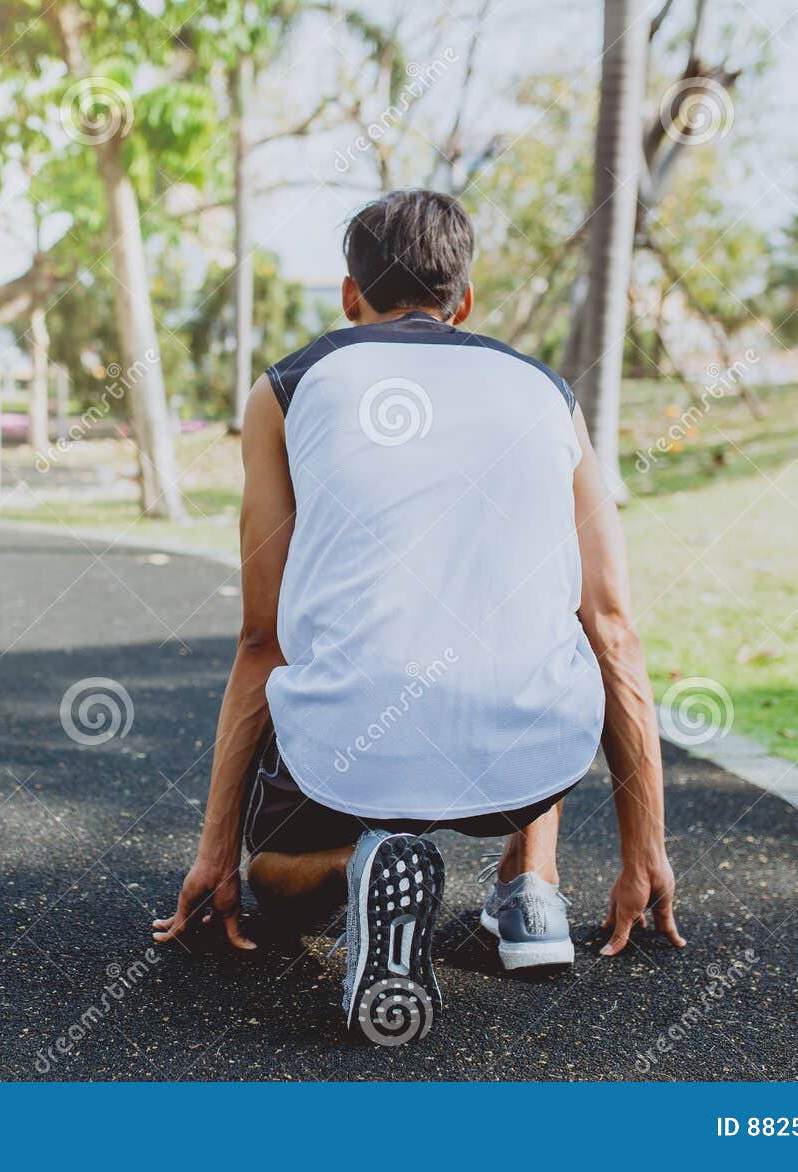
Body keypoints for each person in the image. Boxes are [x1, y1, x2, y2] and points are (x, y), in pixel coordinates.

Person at [153, 188, 685, 1042]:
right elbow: (611, 622)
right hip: (525, 758)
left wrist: (217, 856)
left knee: (277, 882)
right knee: (524, 612)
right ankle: (531, 896)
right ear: (462, 302)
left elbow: (264, 637)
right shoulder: (545, 390)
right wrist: (643, 852)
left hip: (352, 751)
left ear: (348, 296)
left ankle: (361, 862)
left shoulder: (289, 387)